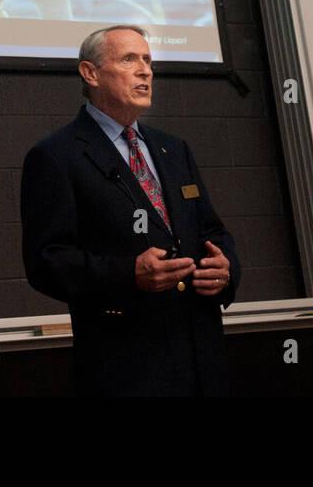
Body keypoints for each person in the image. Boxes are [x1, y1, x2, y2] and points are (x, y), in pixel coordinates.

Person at [21, 24, 240, 396]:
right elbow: (47, 262)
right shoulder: (57, 157)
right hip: (128, 368)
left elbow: (211, 232)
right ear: (90, 73)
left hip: (203, 361)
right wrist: (128, 275)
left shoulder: (174, 149)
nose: (145, 70)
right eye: (129, 59)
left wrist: (225, 269)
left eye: (148, 60)